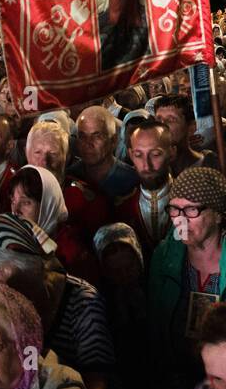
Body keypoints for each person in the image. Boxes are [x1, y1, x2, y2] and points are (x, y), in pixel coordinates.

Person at [0, 214, 116, 389]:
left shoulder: (83, 302)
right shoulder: (6, 304)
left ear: (28, 265)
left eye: (0, 269)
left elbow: (97, 385)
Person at [145, 168, 226, 389]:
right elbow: (154, 324)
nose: (180, 220)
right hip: (173, 385)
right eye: (174, 209)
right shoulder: (164, 257)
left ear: (217, 215)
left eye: (191, 210)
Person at [10, 165, 98, 285]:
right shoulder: (15, 241)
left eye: (26, 202)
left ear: (47, 205)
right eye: (13, 201)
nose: (15, 211)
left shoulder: (71, 253)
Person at [112, 119, 176, 260]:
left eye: (155, 154)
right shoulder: (122, 209)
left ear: (172, 152)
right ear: (130, 154)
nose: (146, 166)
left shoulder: (192, 202)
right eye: (138, 155)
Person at [72, 105, 138, 199]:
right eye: (82, 136)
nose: (88, 143)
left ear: (113, 140)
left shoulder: (132, 181)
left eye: (97, 136)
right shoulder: (71, 176)